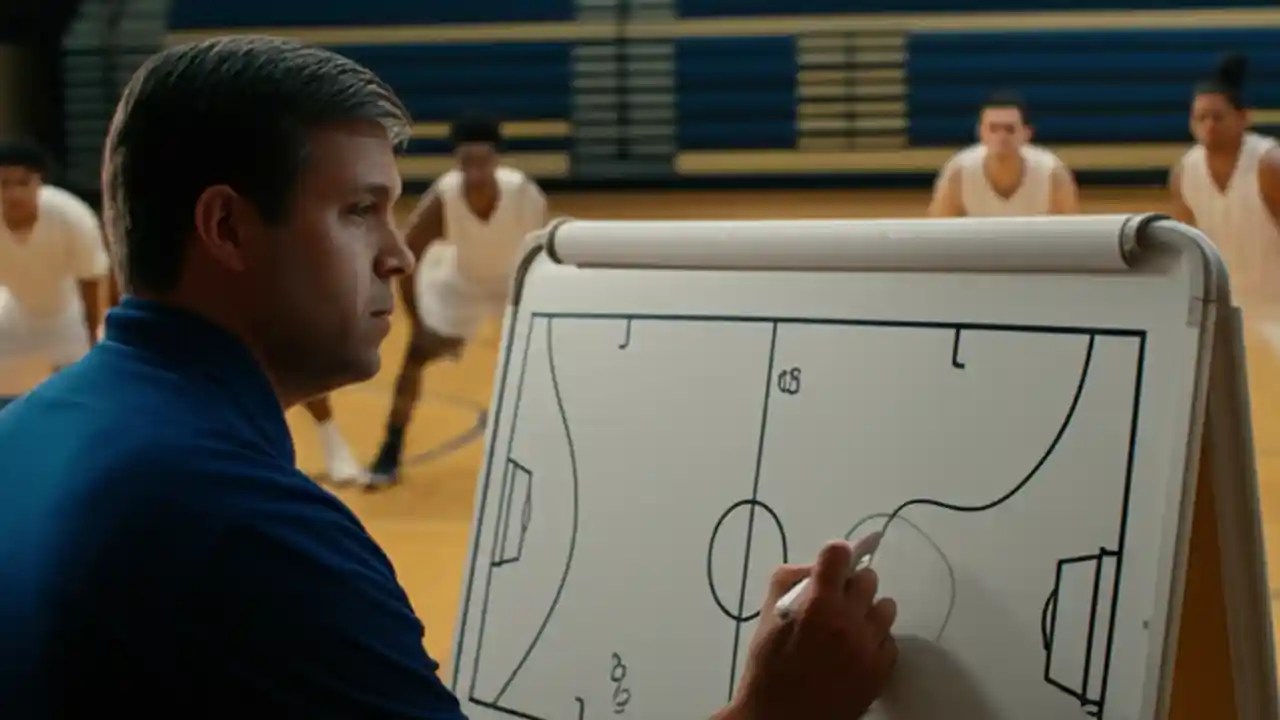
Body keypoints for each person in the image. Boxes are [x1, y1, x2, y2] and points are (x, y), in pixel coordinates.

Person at [0, 35, 899, 718]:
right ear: (227, 229)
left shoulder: (22, 429)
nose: (396, 254)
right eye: (359, 212)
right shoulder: (249, 529)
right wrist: (777, 711)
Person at [305, 115, 549, 487]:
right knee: (415, 356)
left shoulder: (523, 193)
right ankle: (390, 451)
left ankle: (548, 451)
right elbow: (408, 257)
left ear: (496, 162)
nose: (475, 172)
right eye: (467, 163)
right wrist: (419, 323)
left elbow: (540, 252)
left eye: (483, 162)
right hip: (462, 283)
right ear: (458, 163)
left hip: (514, 283)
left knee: (542, 363)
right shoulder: (445, 196)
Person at [0, 139, 110, 405]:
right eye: (3, 184)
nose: (14, 194)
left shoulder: (71, 214)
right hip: (13, 312)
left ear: (39, 183)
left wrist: (95, 340)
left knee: (80, 396)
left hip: (67, 316)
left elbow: (93, 278)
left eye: (23, 183)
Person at [1169, 53, 1280, 313]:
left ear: (1244, 117)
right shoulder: (1184, 171)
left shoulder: (1269, 164)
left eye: (1217, 117)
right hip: (1227, 305)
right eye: (1200, 118)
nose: (1208, 126)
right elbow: (1186, 248)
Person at [927, 91, 1080, 217]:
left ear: (1027, 133)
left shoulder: (1052, 172)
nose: (1001, 137)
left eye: (1009, 129)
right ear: (980, 132)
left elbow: (1073, 238)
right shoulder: (959, 171)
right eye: (993, 129)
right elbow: (937, 236)